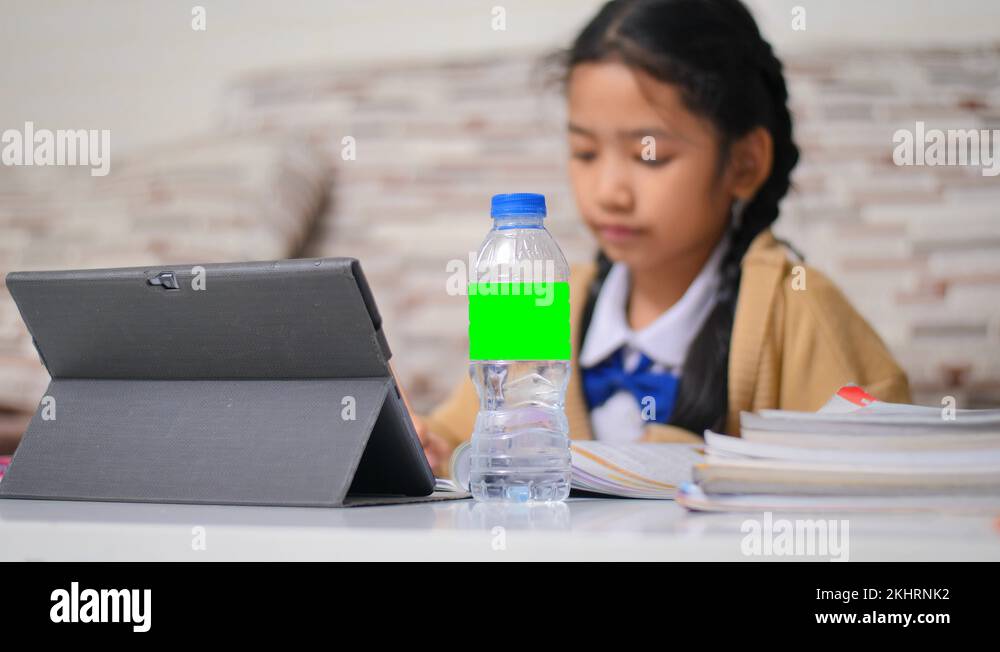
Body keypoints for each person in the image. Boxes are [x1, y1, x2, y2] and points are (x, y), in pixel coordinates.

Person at [407, 0, 910, 476]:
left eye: (650, 156)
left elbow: (882, 472)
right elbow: (464, 431)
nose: (609, 192)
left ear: (744, 162)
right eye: (585, 153)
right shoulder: (547, 300)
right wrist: (432, 447)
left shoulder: (799, 310)